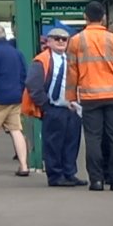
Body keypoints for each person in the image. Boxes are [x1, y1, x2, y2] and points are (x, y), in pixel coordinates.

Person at [67, 1, 113, 191]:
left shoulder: (76, 41)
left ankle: (97, 180)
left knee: (93, 138)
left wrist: (71, 97)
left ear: (85, 18)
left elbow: (72, 72)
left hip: (90, 97)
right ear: (104, 17)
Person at [24, 27, 83, 187]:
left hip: (72, 108)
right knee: (53, 143)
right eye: (57, 38)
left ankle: (69, 173)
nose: (61, 42)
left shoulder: (72, 59)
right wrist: (46, 106)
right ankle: (56, 175)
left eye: (64, 39)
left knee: (72, 142)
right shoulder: (42, 60)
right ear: (48, 41)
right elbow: (33, 84)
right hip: (54, 107)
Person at [0, 23, 33, 178]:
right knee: (16, 130)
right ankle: (24, 166)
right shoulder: (17, 53)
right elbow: (24, 74)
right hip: (15, 98)